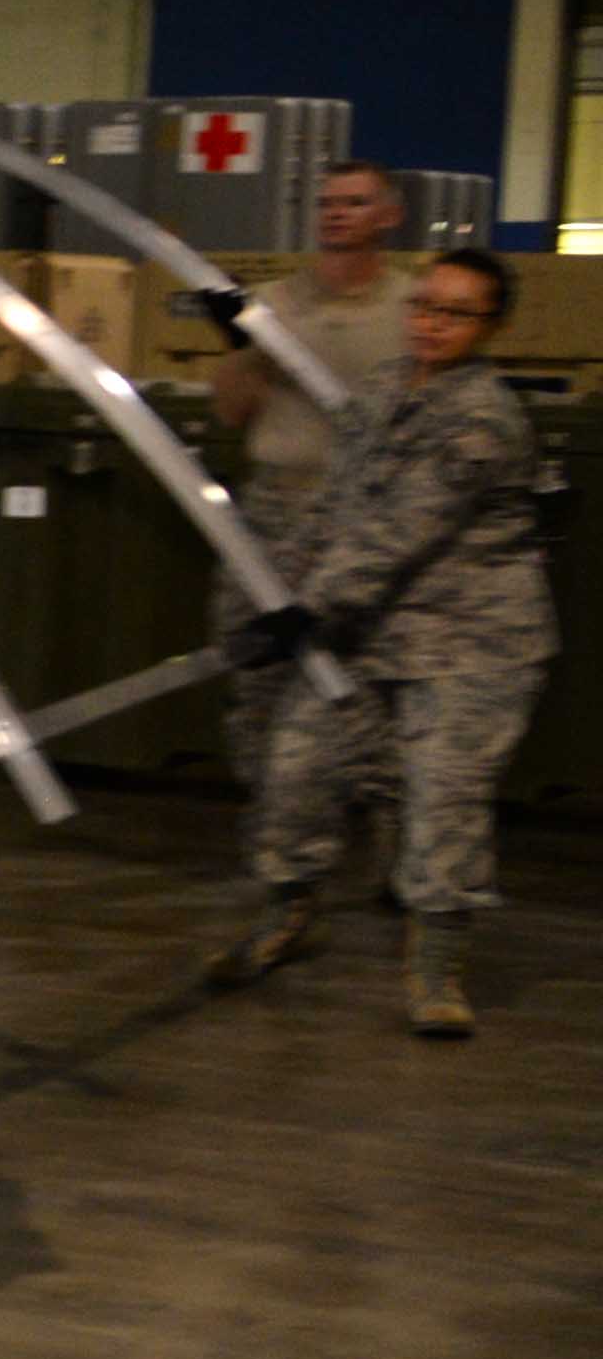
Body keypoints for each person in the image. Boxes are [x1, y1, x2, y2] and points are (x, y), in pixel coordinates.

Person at [211, 247, 555, 1038]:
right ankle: (291, 913)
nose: (432, 323)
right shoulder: (380, 390)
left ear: (493, 325)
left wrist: (310, 610)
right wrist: (276, 594)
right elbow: (335, 509)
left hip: (472, 640)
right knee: (296, 765)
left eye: (456, 312)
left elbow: (402, 531)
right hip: (365, 630)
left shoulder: (484, 418)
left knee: (443, 797)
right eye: (424, 306)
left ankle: (436, 964)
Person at [195, 159, 413, 797]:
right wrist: (240, 345)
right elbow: (233, 412)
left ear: (390, 216)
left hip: (368, 517)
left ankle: (376, 825)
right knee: (256, 668)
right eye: (327, 203)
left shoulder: (413, 308)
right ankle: (275, 832)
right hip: (276, 510)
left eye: (355, 202)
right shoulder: (277, 304)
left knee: (368, 676)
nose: (337, 213)